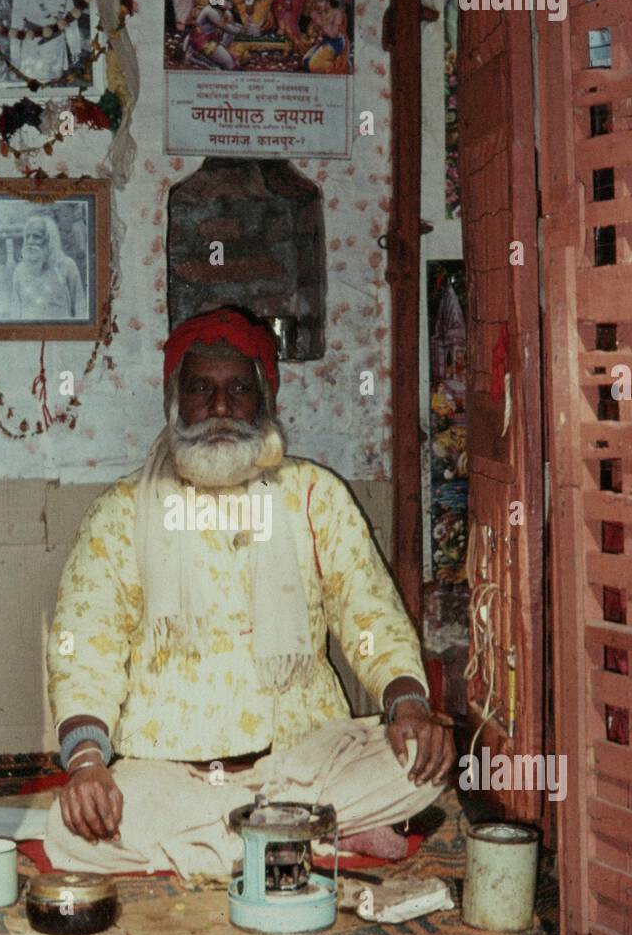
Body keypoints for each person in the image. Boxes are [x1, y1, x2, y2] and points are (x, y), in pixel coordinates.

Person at [45, 308, 454, 878]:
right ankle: (302, 837)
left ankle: (225, 848)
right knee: (68, 836)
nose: (219, 409)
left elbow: (368, 610)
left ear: (264, 400)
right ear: (175, 400)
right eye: (201, 389)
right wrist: (88, 762)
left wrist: (407, 704)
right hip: (173, 773)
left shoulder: (314, 496)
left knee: (420, 767)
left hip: (304, 761)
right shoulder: (120, 513)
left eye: (239, 389)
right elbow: (85, 644)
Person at [8, 214, 84, 321]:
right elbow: (15, 311)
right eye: (27, 236)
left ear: (49, 239)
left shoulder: (67, 266)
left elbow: (80, 308)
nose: (30, 241)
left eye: (37, 236)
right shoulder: (20, 270)